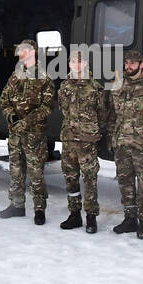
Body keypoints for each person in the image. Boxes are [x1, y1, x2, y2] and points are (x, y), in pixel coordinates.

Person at [106, 48, 143, 239]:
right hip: (122, 143)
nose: (128, 66)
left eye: (132, 63)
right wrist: (111, 137)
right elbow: (112, 115)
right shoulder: (118, 83)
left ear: (141, 65)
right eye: (126, 63)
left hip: (141, 145)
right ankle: (130, 219)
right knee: (125, 183)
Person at [0, 39, 54, 224]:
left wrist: (26, 122)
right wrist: (11, 116)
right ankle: (17, 205)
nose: (20, 53)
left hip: (34, 135)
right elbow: (4, 100)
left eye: (23, 50)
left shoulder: (44, 77)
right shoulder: (15, 76)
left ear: (32, 52)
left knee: (36, 172)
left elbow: (46, 107)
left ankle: (39, 209)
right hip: (15, 135)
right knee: (15, 170)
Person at [56, 47, 107, 233]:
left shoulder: (95, 88)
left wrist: (91, 130)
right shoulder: (64, 87)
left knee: (90, 179)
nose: (76, 65)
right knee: (70, 178)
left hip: (87, 141)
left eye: (79, 61)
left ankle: (91, 217)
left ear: (85, 63)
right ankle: (74, 214)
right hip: (69, 139)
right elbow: (63, 109)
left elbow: (102, 115)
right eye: (72, 62)